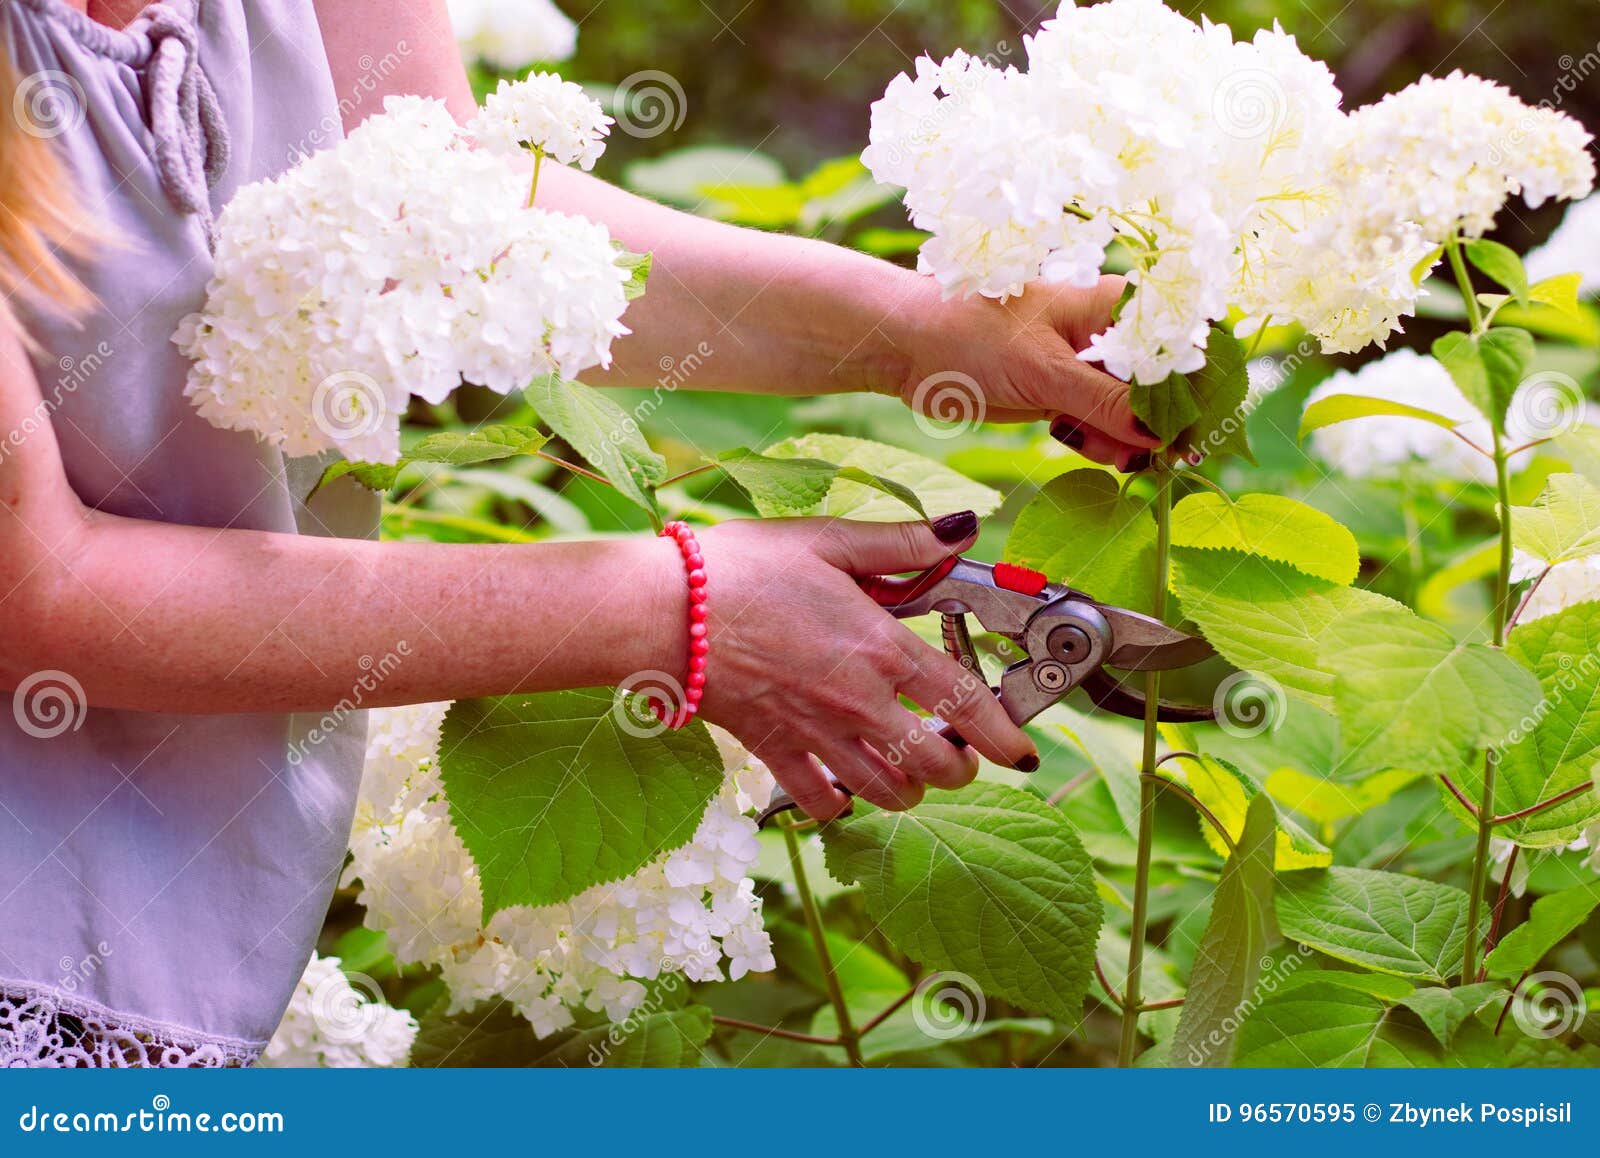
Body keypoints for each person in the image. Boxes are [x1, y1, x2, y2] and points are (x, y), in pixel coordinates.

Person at [0, 0, 1156, 1066]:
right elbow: (37, 592)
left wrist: (916, 333)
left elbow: (454, 209)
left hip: (182, 967)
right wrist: (672, 608)